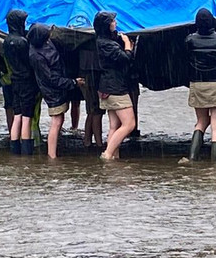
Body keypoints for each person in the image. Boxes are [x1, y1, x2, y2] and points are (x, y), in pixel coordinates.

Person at [182, 7, 216, 163]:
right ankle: (215, 163)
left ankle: (192, 158)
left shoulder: (190, 40)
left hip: (198, 84)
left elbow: (185, 58)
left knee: (201, 121)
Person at [28, 23, 84, 159]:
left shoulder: (45, 44)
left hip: (59, 87)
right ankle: (51, 155)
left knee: (59, 119)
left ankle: (52, 152)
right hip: (52, 92)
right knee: (57, 120)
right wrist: (72, 83)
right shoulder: (37, 56)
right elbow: (50, 79)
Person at [93, 11, 137, 161]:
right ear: (106, 25)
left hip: (107, 87)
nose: (115, 23)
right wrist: (128, 45)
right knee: (129, 124)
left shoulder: (102, 40)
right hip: (116, 88)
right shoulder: (107, 44)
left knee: (114, 126)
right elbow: (125, 59)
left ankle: (114, 158)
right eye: (113, 21)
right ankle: (107, 154)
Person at [3, 9, 38, 155]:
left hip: (14, 80)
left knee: (17, 115)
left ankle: (15, 150)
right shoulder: (22, 42)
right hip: (26, 81)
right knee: (27, 116)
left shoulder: (6, 41)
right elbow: (29, 61)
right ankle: (26, 152)